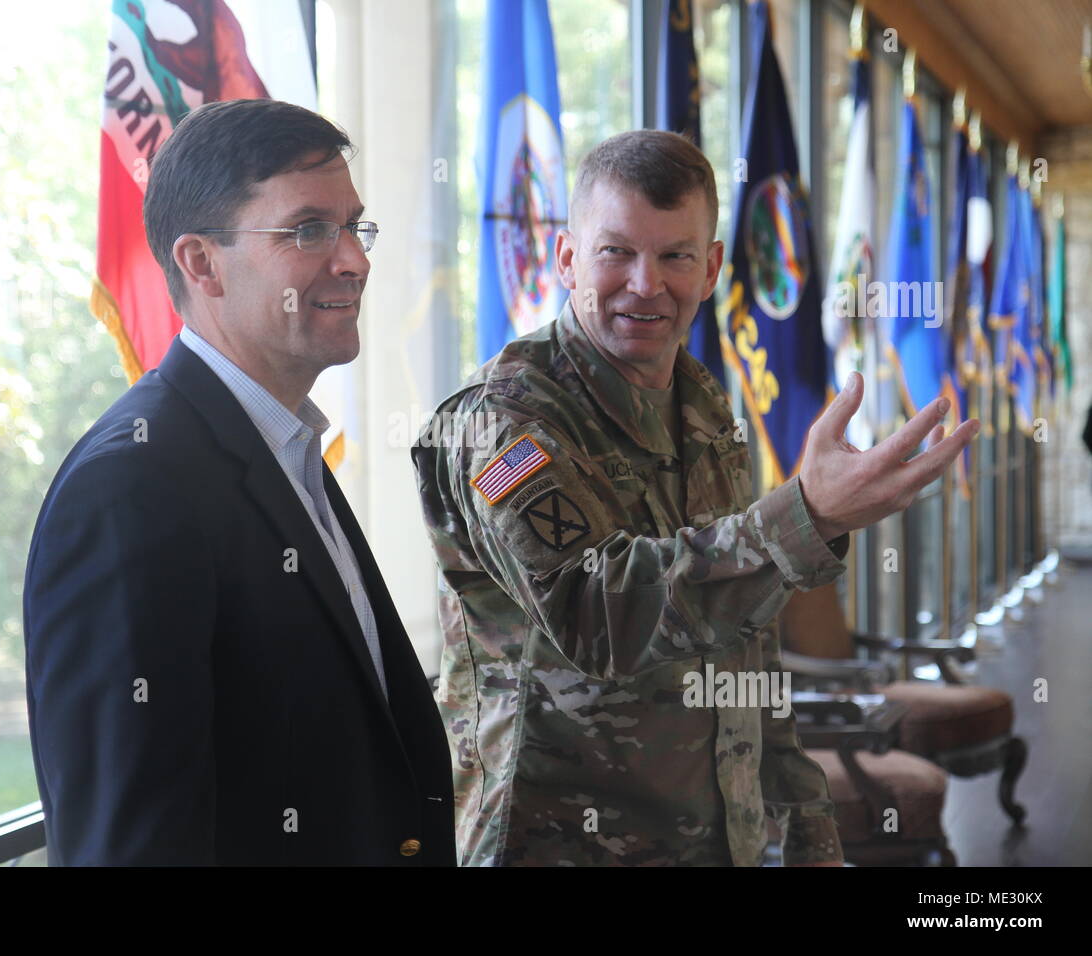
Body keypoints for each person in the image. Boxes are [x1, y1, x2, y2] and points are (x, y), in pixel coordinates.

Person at [412, 129, 979, 867]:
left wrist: (811, 831)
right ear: (566, 259)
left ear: (710, 268)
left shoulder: (704, 405)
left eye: (675, 255)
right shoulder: (500, 422)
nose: (646, 284)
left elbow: (745, 640)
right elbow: (596, 612)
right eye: (616, 252)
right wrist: (805, 514)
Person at [24, 99, 455, 866]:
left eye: (355, 226)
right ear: (201, 263)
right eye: (309, 230)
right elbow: (131, 846)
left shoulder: (283, 446)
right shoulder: (132, 488)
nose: (354, 258)